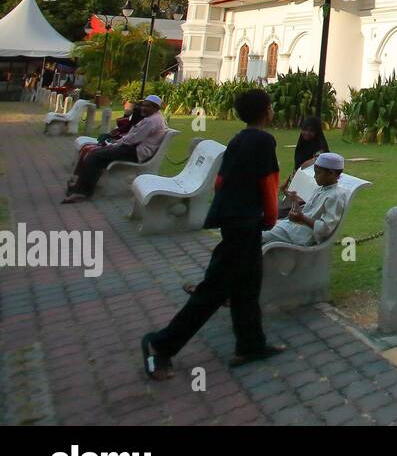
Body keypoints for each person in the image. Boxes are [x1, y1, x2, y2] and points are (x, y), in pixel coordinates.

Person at [142, 88, 285, 379]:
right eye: (270, 107)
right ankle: (160, 344)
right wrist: (270, 217)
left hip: (234, 219)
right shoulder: (263, 140)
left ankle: (251, 344)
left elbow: (221, 180)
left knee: (247, 287)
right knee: (213, 291)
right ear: (266, 111)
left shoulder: (239, 138)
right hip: (246, 222)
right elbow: (269, 182)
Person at [64, 95, 168, 203]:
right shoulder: (155, 117)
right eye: (143, 105)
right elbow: (133, 136)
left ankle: (82, 192)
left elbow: (133, 139)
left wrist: (116, 143)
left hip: (136, 153)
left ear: (156, 108)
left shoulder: (151, 121)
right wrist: (117, 142)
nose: (143, 108)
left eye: (147, 106)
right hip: (134, 149)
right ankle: (81, 186)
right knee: (96, 153)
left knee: (95, 156)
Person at [265, 151, 347, 246]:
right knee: (259, 226)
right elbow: (308, 212)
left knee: (257, 234)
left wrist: (302, 218)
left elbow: (326, 228)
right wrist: (295, 201)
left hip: (300, 235)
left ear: (331, 173)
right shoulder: (321, 189)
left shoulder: (335, 196)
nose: (314, 176)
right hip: (293, 228)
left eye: (317, 173)